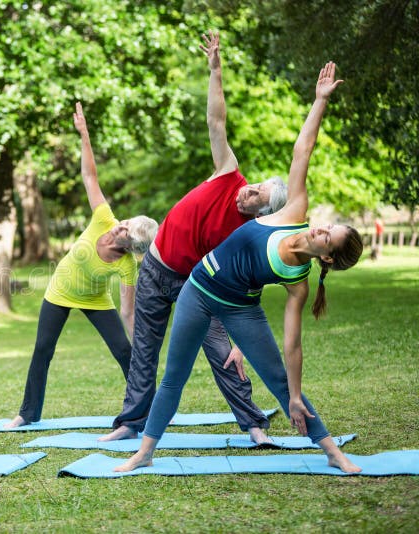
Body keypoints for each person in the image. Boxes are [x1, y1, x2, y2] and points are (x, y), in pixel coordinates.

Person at [115, 61, 363, 474]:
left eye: (328, 237)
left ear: (327, 258)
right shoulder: (295, 211)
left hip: (240, 307)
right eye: (328, 226)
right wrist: (318, 102)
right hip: (198, 288)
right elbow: (304, 149)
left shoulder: (298, 282)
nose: (321, 228)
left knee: (281, 383)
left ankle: (332, 452)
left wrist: (296, 395)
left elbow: (293, 345)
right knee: (174, 376)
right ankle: (143, 452)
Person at [100, 32, 287, 444]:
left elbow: (248, 292)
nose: (249, 190)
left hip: (198, 287)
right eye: (255, 185)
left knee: (222, 353)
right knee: (144, 352)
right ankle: (130, 423)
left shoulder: (249, 235)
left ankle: (254, 424)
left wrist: (242, 340)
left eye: (257, 196)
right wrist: (215, 69)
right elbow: (216, 120)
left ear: (263, 211)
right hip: (155, 267)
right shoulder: (228, 173)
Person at [4, 102, 158, 429]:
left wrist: (140, 346)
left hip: (95, 300)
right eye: (124, 222)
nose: (119, 226)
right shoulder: (104, 218)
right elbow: (89, 175)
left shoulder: (127, 266)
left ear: (132, 245)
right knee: (42, 350)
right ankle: (27, 414)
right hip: (59, 291)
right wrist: (84, 135)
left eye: (125, 231)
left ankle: (146, 410)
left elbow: (128, 313)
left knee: (124, 352)